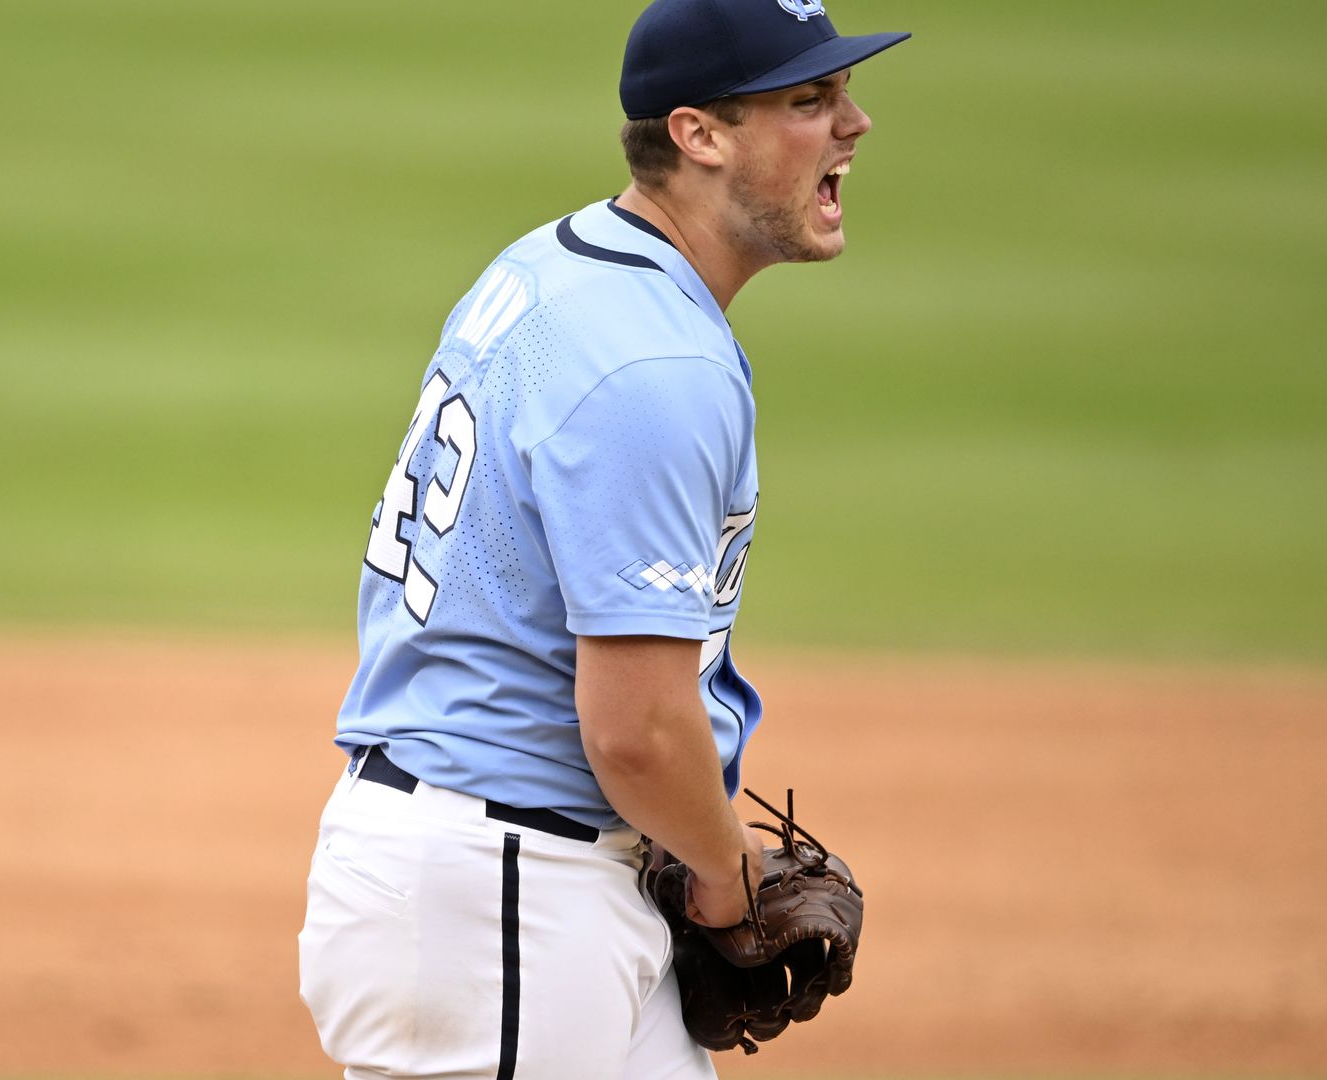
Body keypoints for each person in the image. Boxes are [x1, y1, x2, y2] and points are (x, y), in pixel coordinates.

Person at [298, 1, 908, 1076]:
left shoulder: (559, 264)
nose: (853, 124)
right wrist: (729, 884)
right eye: (810, 101)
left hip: (509, 877)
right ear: (699, 133)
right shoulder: (652, 367)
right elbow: (637, 731)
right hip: (503, 903)